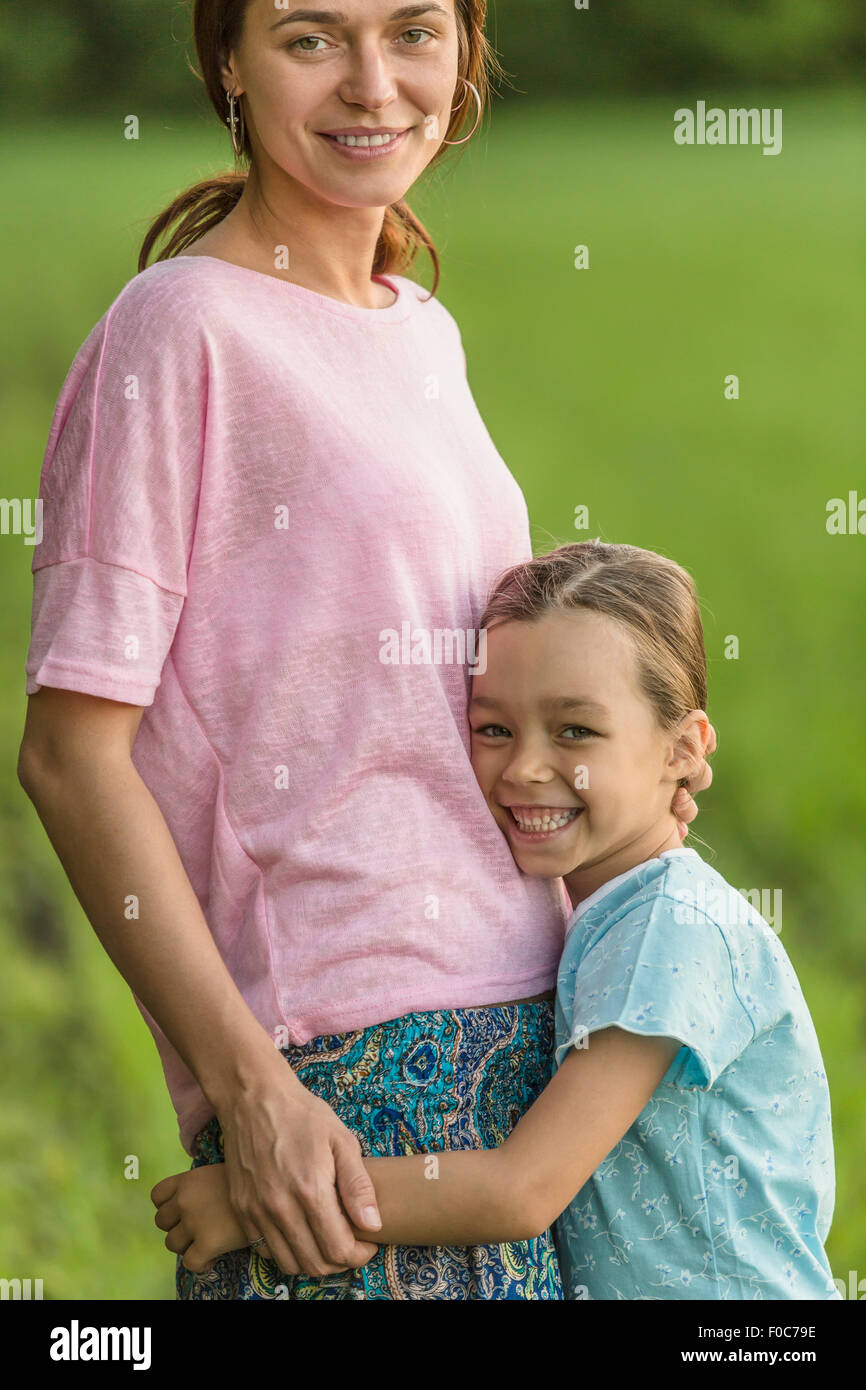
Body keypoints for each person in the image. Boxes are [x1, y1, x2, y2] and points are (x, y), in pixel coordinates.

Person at [19, 1, 713, 1300]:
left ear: (462, 56)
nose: (372, 83)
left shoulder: (416, 330)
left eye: (412, 33)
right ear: (227, 59)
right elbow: (69, 755)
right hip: (347, 1058)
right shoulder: (178, 334)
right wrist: (251, 1088)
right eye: (309, 39)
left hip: (529, 1025)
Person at [154, 541, 838, 1301]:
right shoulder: (606, 918)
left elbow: (523, 1190)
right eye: (493, 730)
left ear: (684, 747)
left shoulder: (671, 929)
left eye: (575, 731)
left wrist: (258, 1203)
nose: (525, 768)